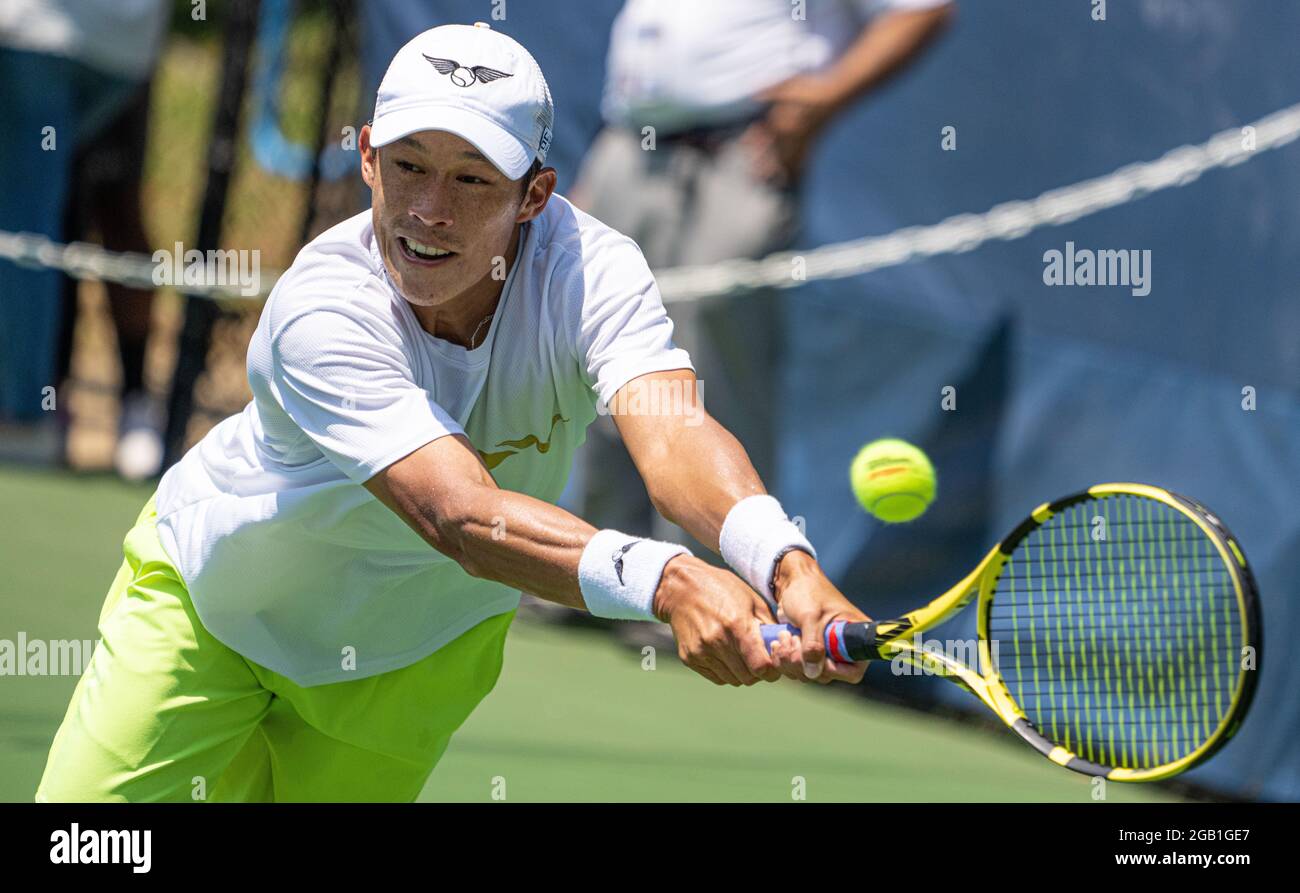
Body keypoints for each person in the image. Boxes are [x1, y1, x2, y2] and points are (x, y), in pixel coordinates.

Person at [38, 23, 869, 803]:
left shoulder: (593, 271)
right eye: (408, 165)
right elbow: (458, 515)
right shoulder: (321, 310)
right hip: (211, 615)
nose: (430, 209)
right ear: (366, 159)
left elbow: (672, 429)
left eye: (472, 178)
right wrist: (668, 578)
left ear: (535, 194)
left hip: (412, 662)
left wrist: (784, 563)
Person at [569, 0, 954, 546]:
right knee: (595, 345)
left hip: (742, 151)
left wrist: (824, 98)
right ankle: (599, 569)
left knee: (713, 364)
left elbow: (921, 9)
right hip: (625, 144)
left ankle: (717, 583)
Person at [0, 0, 169, 467]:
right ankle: (46, 406)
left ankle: (26, 416)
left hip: (42, 35)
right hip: (122, 47)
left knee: (30, 225)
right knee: (51, 215)